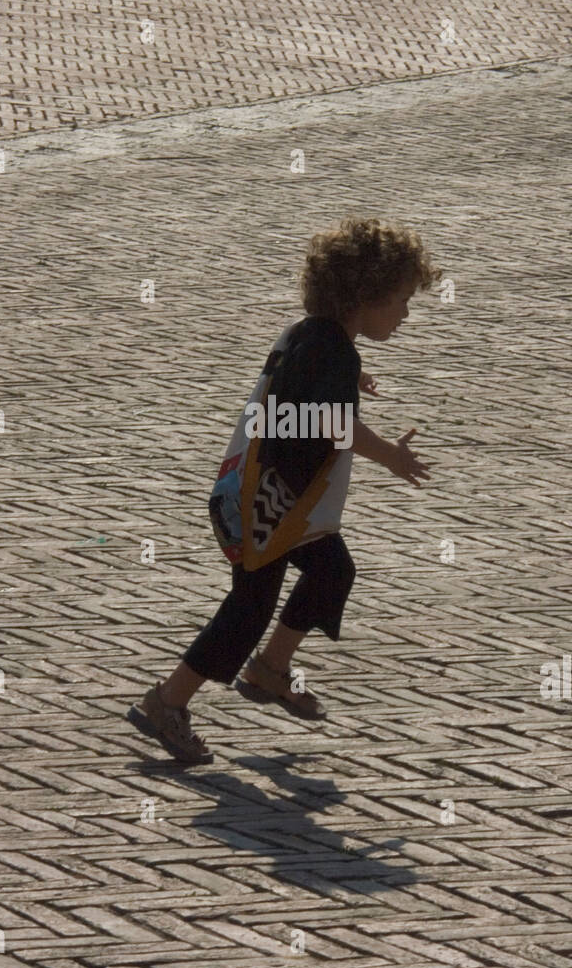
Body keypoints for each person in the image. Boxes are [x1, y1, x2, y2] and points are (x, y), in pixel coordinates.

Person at [128, 215, 440, 763]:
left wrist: (352, 380)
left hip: (276, 501)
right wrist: (389, 453)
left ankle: (269, 669)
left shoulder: (313, 335)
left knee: (330, 573)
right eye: (400, 300)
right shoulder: (333, 351)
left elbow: (300, 385)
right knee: (248, 608)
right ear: (364, 296)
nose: (407, 314)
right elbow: (326, 421)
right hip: (271, 506)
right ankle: (168, 701)